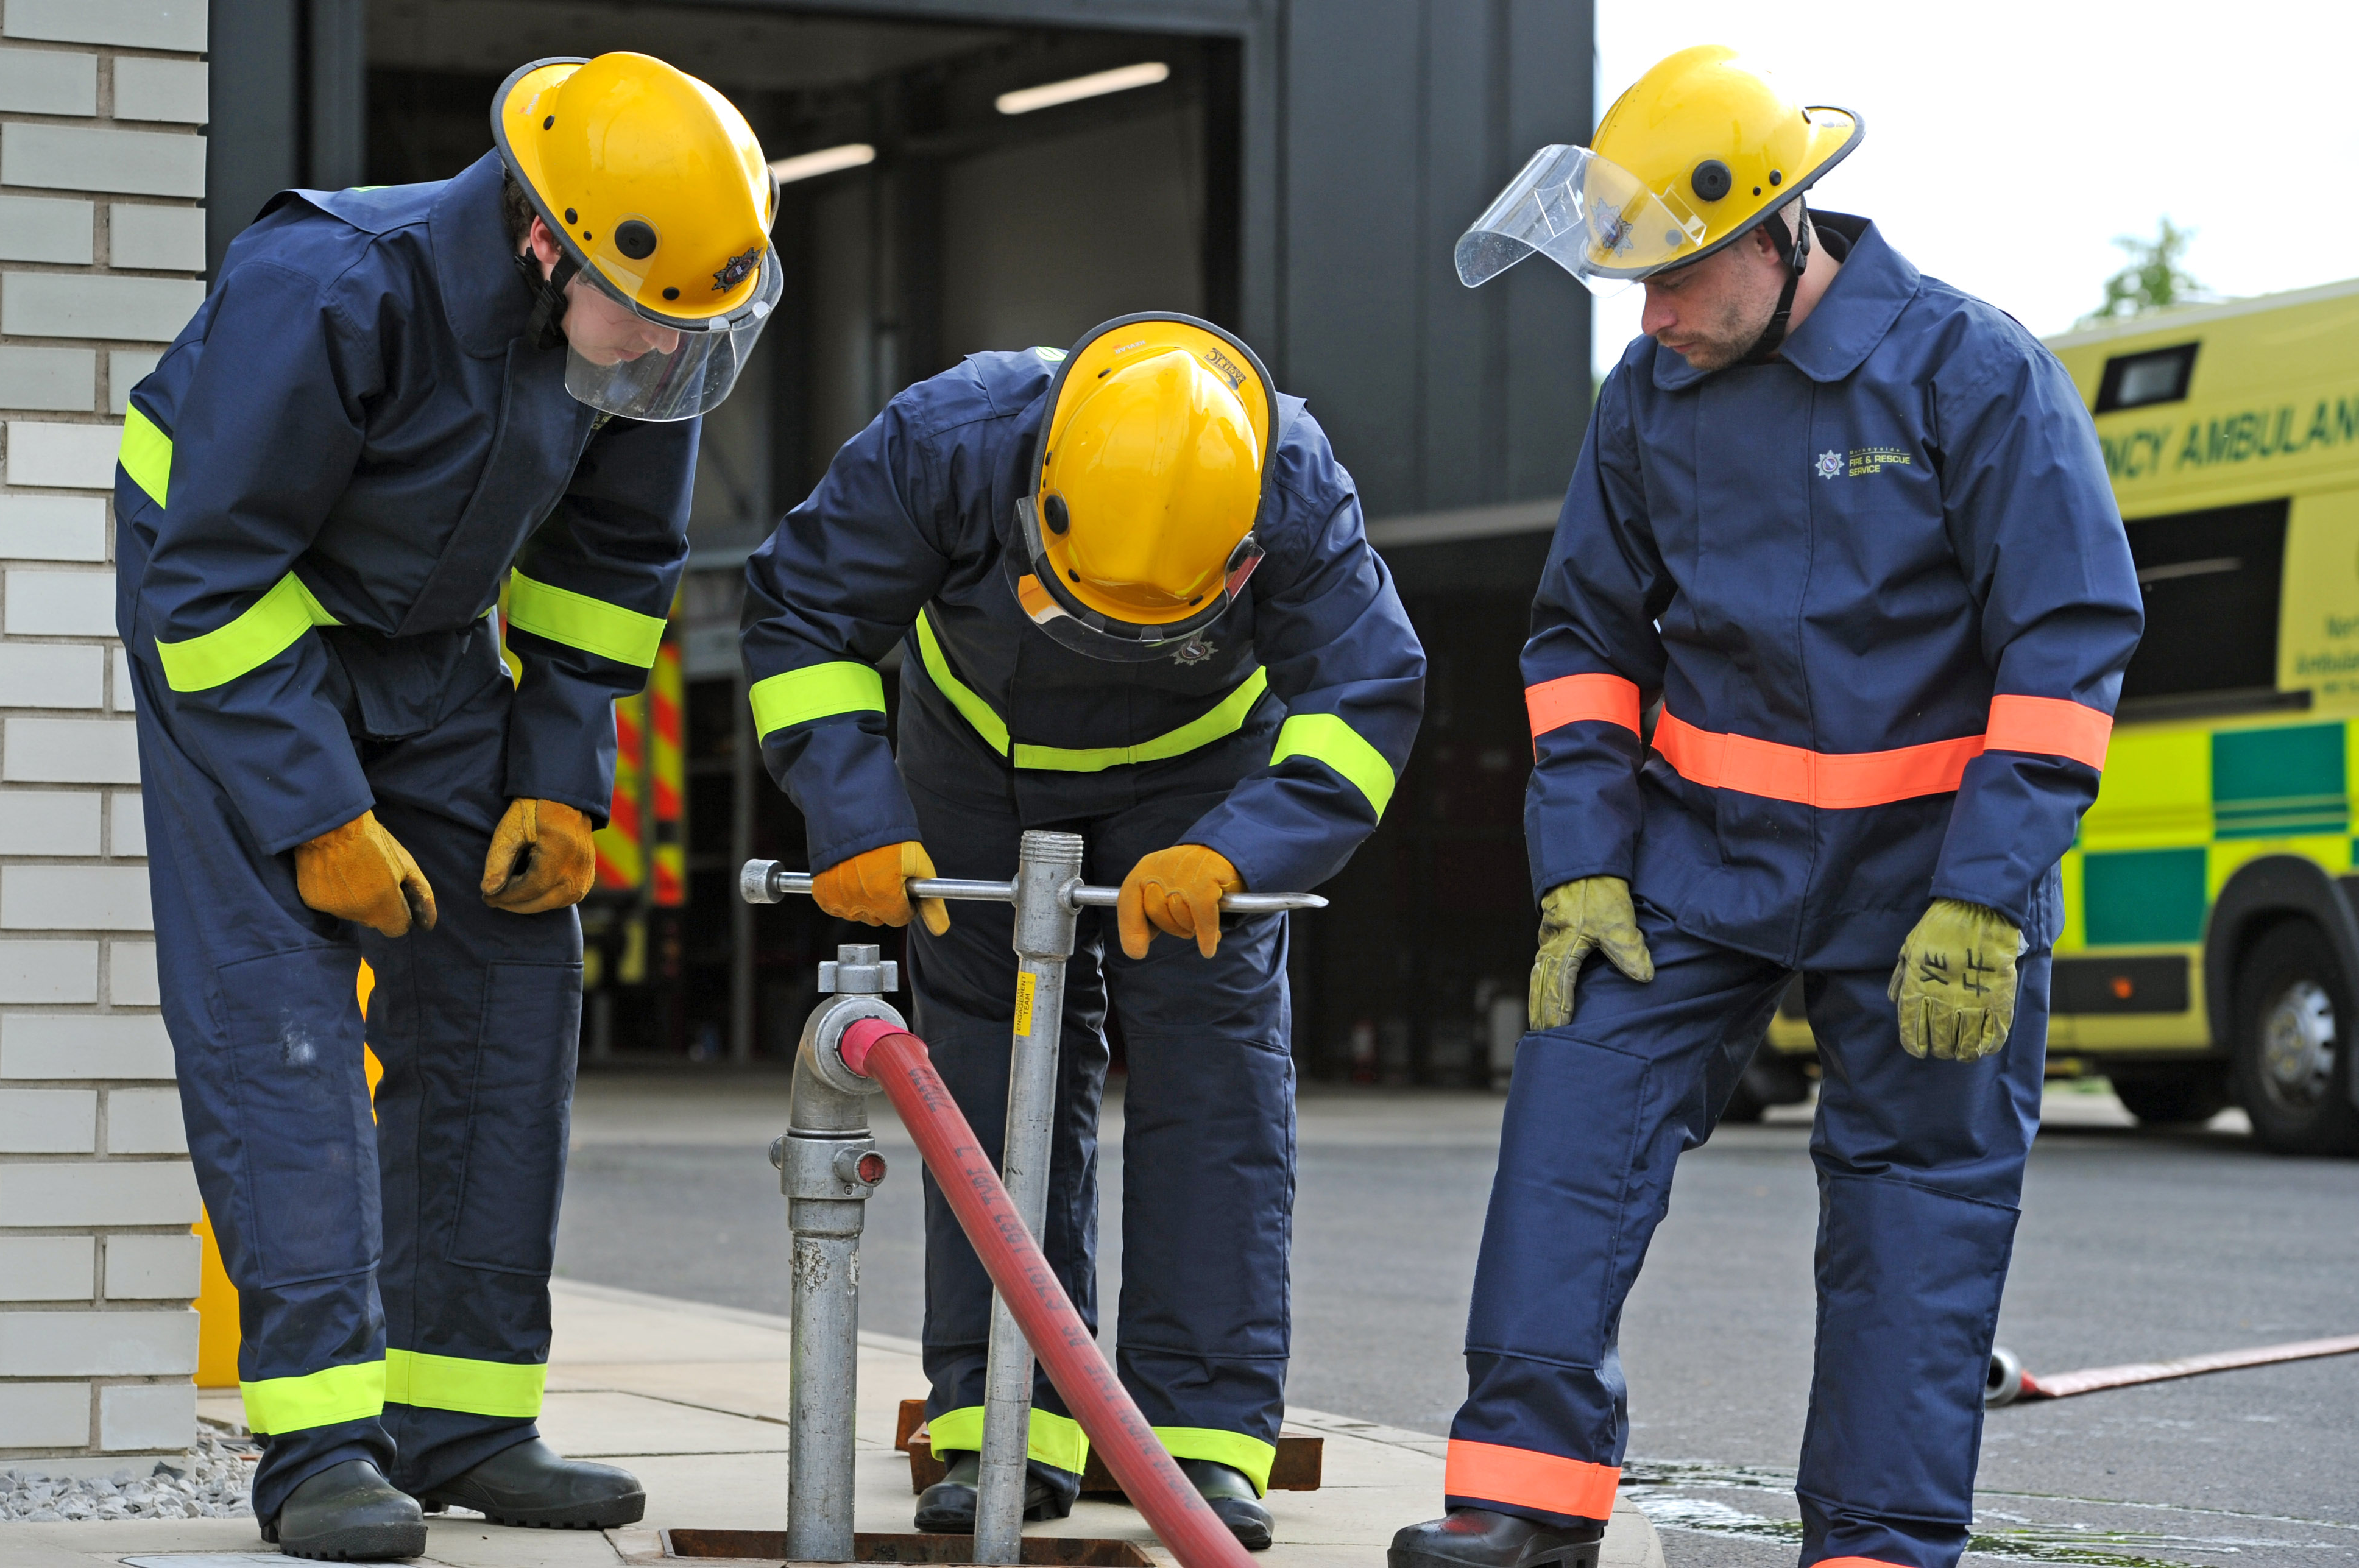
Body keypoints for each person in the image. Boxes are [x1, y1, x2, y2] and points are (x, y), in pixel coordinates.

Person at [1389, 46, 2143, 1568]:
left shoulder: (1969, 371)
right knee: (1567, 1137)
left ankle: (1871, 1543)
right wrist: (1580, 871)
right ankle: (1522, 1508)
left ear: (1780, 227)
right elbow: (1582, 645)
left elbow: (2065, 646)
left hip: (1927, 885)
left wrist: (1983, 892)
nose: (1648, 318)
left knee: (1911, 1209)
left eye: (1670, 280)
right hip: (1684, 867)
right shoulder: (1649, 393)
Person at [116, 52, 780, 1560]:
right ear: (552, 241)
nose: (669, 367)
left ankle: (462, 1421)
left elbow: (607, 576)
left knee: (504, 985)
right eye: (653, 330)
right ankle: (320, 1453)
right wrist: (311, 812)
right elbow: (207, 576)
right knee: (278, 1019)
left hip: (425, 645)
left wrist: (558, 774)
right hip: (235, 621)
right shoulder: (336, 284)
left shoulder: (648, 324)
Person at [743, 313, 1424, 1549]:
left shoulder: (1290, 488)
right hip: (971, 772)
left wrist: (1240, 848)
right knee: (991, 1078)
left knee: (1212, 1081)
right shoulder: (948, 441)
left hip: (1197, 789)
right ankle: (1001, 1425)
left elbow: (1362, 695)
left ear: (1238, 554)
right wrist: (852, 811)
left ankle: (1200, 1441)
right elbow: (801, 620)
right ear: (1040, 496)